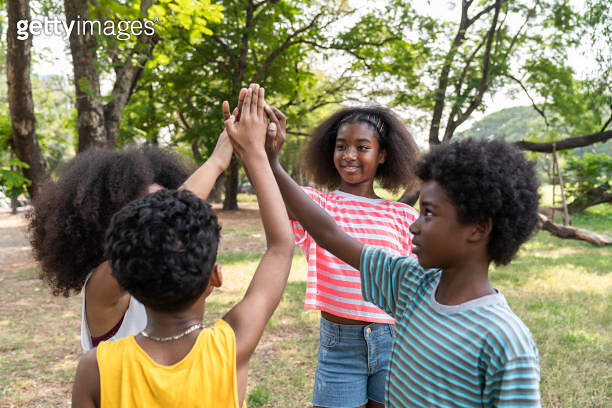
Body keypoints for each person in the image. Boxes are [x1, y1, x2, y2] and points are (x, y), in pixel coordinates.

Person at [265, 129, 542, 407]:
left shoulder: (506, 342)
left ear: (477, 229)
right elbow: (330, 235)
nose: (413, 225)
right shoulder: (409, 285)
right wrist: (269, 161)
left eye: (429, 213)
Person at [71, 84, 295, 408]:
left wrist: (223, 159)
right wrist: (255, 155)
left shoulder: (95, 369)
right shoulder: (229, 348)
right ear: (215, 277)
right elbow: (281, 247)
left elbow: (152, 230)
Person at [264, 105, 420, 408]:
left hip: (394, 343)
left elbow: (413, 284)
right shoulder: (314, 203)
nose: (349, 155)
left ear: (383, 155)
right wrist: (270, 158)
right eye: (341, 147)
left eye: (362, 147)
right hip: (339, 347)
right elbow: (272, 194)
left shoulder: (401, 214)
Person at [29, 128, 234, 351]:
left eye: (165, 199)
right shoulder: (101, 287)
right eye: (150, 208)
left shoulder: (162, 278)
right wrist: (216, 162)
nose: (162, 213)